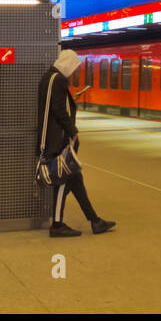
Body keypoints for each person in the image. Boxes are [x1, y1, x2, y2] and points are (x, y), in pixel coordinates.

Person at [38, 49, 115, 238]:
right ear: (67, 63)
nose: (73, 72)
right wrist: (73, 132)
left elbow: (56, 106)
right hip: (58, 141)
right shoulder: (56, 79)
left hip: (55, 138)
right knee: (63, 182)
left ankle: (95, 221)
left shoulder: (50, 78)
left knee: (76, 180)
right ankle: (57, 225)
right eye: (73, 67)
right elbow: (56, 110)